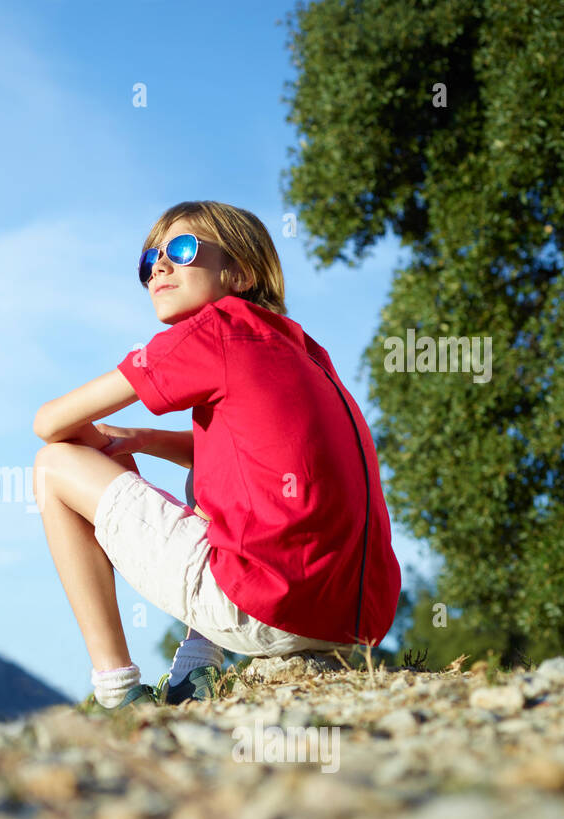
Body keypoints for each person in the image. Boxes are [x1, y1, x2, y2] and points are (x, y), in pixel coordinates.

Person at [31, 200, 401, 711]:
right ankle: (195, 668)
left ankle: (116, 689)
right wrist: (142, 439)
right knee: (203, 474)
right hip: (355, 621)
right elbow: (256, 455)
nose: (158, 266)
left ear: (241, 272)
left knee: (55, 464)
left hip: (268, 610)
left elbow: (48, 422)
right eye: (149, 260)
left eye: (181, 250)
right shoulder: (304, 349)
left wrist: (95, 448)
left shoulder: (213, 330)